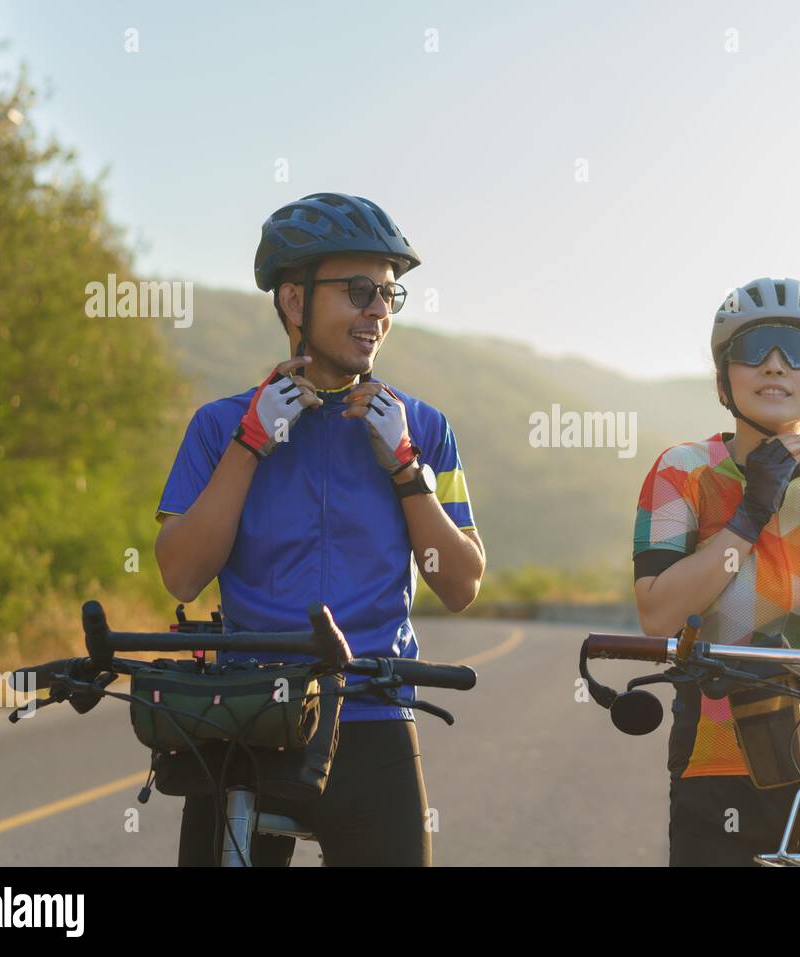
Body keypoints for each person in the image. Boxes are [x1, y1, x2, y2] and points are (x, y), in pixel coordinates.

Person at [154, 192, 486, 866]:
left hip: (374, 713)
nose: (379, 310)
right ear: (295, 302)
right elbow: (182, 574)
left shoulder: (422, 428)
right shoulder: (220, 425)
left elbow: (460, 583)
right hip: (249, 718)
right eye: (360, 290)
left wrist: (403, 465)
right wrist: (249, 446)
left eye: (391, 295)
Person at [631, 277, 800, 866]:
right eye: (754, 350)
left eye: (799, 352)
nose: (775, 367)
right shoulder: (685, 470)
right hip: (721, 752)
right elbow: (658, 613)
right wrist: (750, 513)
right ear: (724, 377)